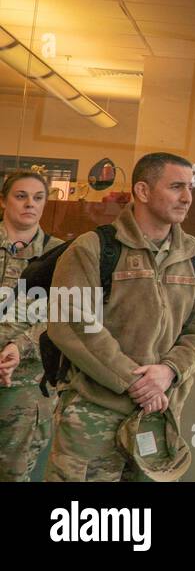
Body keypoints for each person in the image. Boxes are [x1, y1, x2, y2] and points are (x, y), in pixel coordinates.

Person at [45, 152, 195, 481]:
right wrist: (136, 381)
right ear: (142, 191)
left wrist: (170, 371)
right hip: (94, 414)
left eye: (190, 188)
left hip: (158, 416)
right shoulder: (92, 249)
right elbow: (73, 323)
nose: (187, 197)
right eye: (176, 187)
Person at [0, 170, 65, 481]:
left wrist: (19, 345)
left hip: (26, 386)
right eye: (21, 196)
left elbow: (69, 318)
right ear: (3, 200)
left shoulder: (62, 254)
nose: (30, 204)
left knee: (13, 474)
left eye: (38, 198)